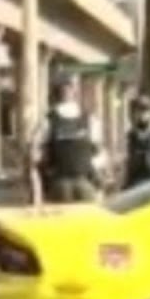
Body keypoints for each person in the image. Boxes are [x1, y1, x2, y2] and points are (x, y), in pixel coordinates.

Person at [28, 76, 107, 204]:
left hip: (62, 182)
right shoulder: (88, 119)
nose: (66, 91)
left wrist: (37, 189)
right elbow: (101, 154)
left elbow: (34, 155)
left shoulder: (48, 120)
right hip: (80, 181)